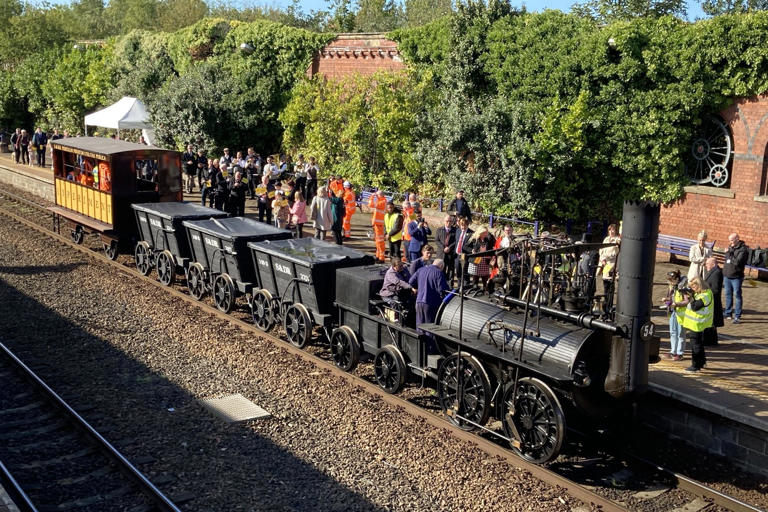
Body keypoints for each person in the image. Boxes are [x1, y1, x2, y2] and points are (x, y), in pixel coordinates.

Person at [409, 259, 450, 353]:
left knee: (419, 326)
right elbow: (442, 290)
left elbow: (411, 281)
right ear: (441, 266)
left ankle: (418, 350)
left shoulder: (421, 270)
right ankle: (429, 351)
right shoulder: (439, 273)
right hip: (431, 303)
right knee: (430, 328)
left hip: (419, 302)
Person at [680, 276, 713, 372]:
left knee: (695, 345)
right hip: (696, 323)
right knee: (699, 344)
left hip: (697, 323)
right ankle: (702, 362)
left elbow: (695, 307)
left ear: (699, 286)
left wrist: (690, 297)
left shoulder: (705, 296)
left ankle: (695, 366)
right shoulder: (704, 292)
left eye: (694, 287)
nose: (693, 289)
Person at [659, 270, 689, 361]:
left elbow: (687, 301)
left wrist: (676, 304)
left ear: (676, 279)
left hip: (681, 314)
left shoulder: (683, 287)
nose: (670, 283)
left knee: (681, 334)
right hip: (673, 312)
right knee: (673, 332)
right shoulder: (673, 286)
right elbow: (673, 298)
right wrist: (667, 300)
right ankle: (673, 351)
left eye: (671, 281)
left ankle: (680, 353)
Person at [723, 232, 749, 323]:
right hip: (727, 275)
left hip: (736, 276)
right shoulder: (731, 247)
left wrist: (729, 254)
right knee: (727, 294)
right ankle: (728, 312)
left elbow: (737, 262)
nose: (730, 242)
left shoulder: (743, 249)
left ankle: (737, 316)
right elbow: (727, 260)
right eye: (729, 241)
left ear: (737, 239)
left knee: (737, 295)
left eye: (732, 240)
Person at [598, 223, 621, 314]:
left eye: (613, 230)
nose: (611, 231)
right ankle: (605, 303)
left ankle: (609, 305)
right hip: (605, 265)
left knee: (611, 287)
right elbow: (601, 250)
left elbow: (615, 252)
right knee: (605, 286)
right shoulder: (606, 239)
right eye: (610, 230)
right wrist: (602, 259)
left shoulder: (617, 240)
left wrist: (606, 257)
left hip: (612, 265)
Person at [704, 257, 724, 346]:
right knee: (711, 322)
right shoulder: (712, 271)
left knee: (711, 322)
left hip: (713, 300)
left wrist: (705, 293)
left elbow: (715, 289)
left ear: (713, 264)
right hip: (710, 299)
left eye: (707, 264)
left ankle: (710, 341)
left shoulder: (717, 273)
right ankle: (711, 340)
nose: (706, 265)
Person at [454, 217, 474, 287]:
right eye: (461, 225)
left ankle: (465, 289)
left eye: (464, 225)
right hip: (457, 255)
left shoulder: (471, 233)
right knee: (458, 274)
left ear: (467, 225)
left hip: (465, 256)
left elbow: (472, 247)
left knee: (465, 274)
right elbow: (456, 242)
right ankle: (459, 288)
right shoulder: (458, 231)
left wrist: (471, 251)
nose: (462, 227)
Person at [435, 215, 456, 282]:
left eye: (450, 221)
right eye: (447, 221)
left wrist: (449, 248)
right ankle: (441, 282)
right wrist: (443, 248)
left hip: (451, 253)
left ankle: (450, 283)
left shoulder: (455, 230)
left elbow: (456, 241)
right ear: (444, 221)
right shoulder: (439, 230)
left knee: (451, 269)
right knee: (441, 269)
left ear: (452, 222)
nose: (448, 223)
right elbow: (437, 240)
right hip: (441, 253)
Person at [368, 189, 388, 262]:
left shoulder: (382, 201)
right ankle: (378, 255)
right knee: (377, 241)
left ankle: (381, 257)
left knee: (380, 241)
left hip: (379, 223)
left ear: (380, 195)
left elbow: (371, 204)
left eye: (377, 195)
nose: (376, 196)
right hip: (377, 223)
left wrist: (372, 196)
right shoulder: (381, 200)